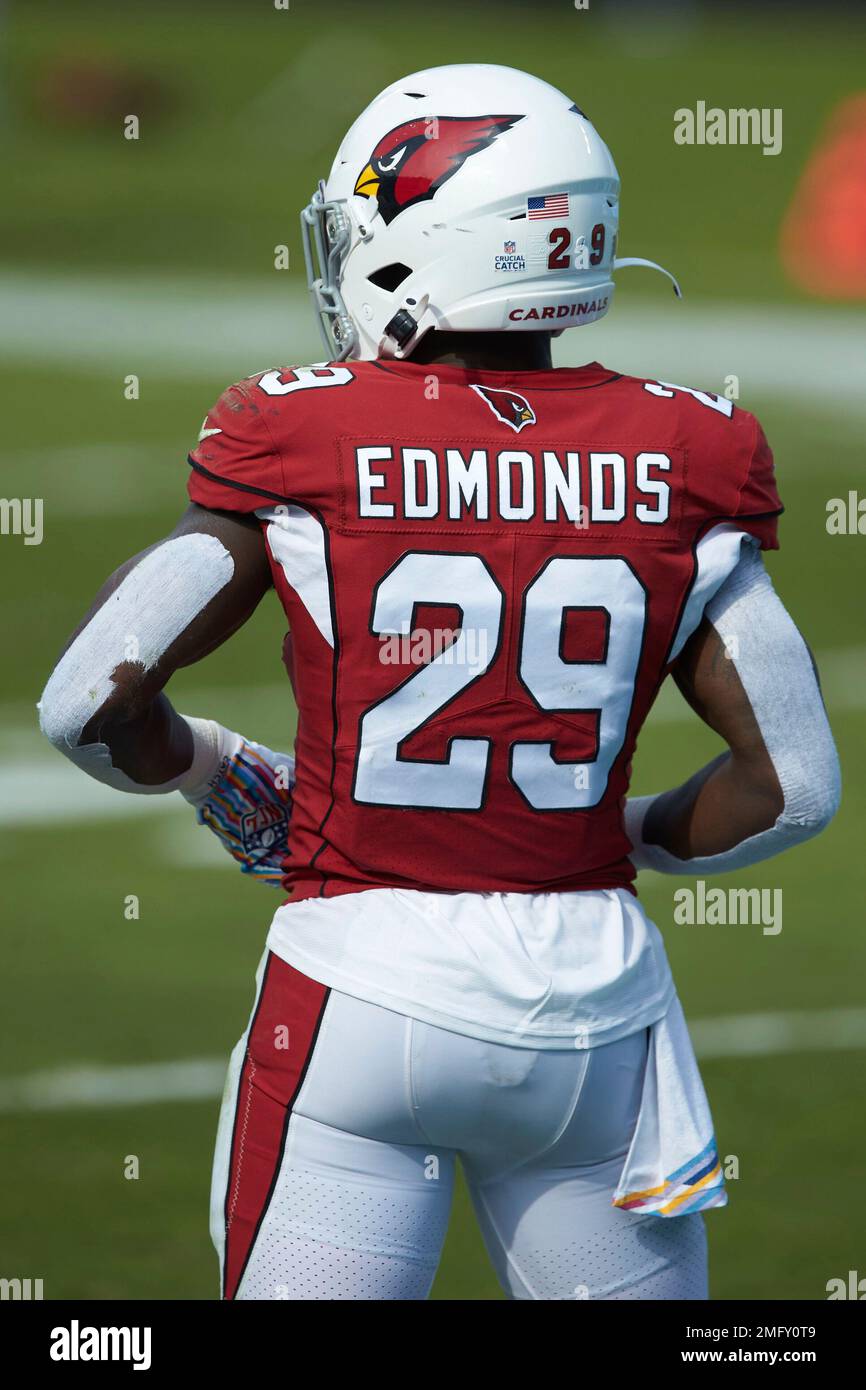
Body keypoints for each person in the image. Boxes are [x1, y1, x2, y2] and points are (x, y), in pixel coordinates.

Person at [39, 64, 840, 1301]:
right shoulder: (692, 447)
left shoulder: (299, 427)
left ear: (424, 239)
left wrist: (216, 770)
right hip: (600, 1018)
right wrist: (596, 835)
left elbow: (86, 698)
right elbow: (790, 786)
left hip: (363, 984)